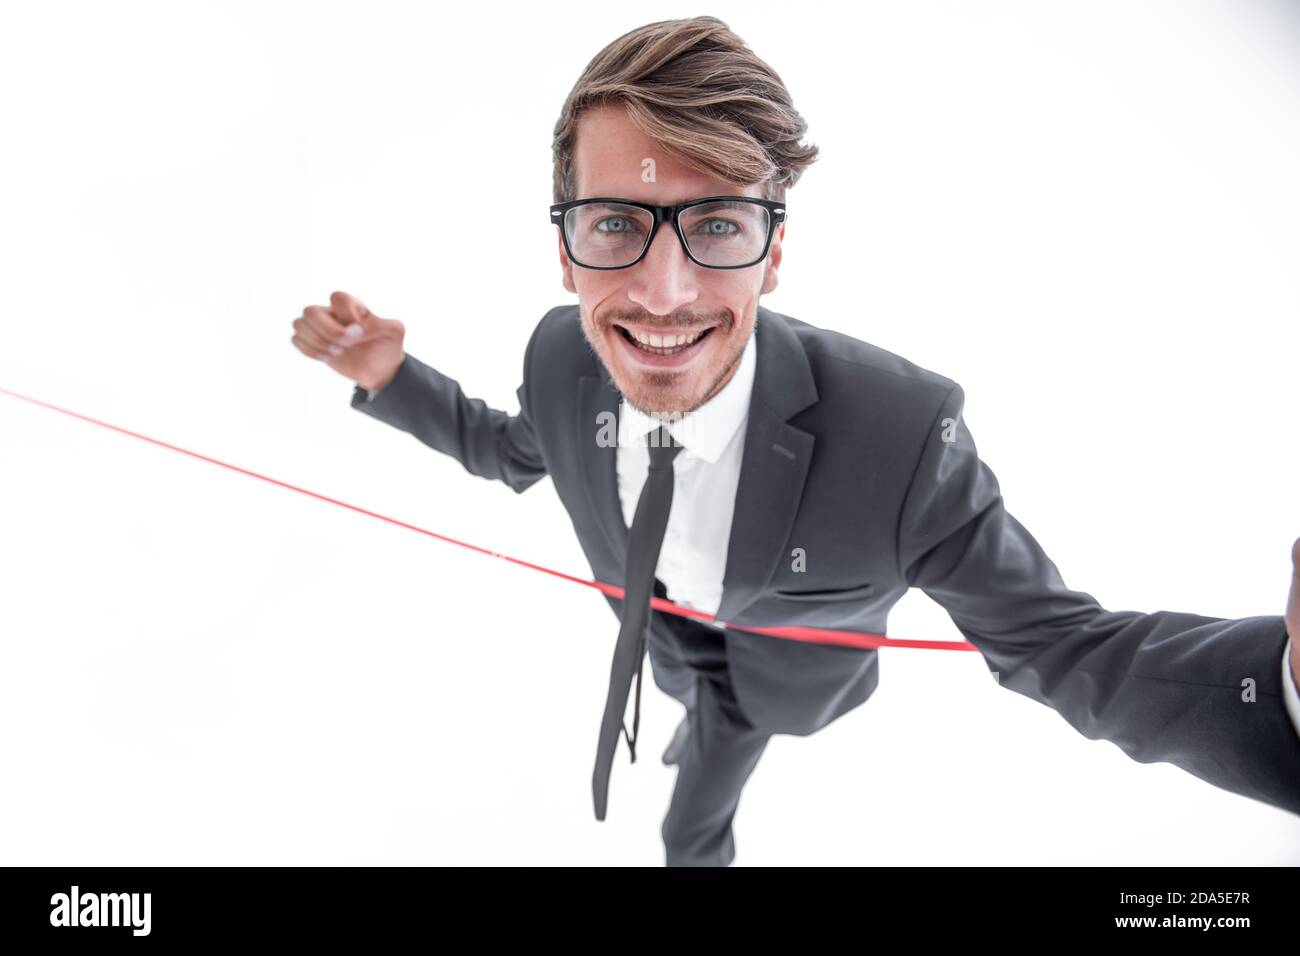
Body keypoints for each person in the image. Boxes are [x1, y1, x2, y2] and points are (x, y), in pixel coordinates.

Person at [290, 15, 1300, 866]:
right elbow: (511, 452)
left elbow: (1065, 645)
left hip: (778, 682)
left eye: (717, 225)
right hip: (667, 638)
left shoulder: (903, 438)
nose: (663, 291)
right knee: (690, 697)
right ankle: (689, 703)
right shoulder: (562, 356)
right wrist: (388, 377)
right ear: (563, 248)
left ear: (774, 252)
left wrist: (1287, 692)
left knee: (693, 818)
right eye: (615, 225)